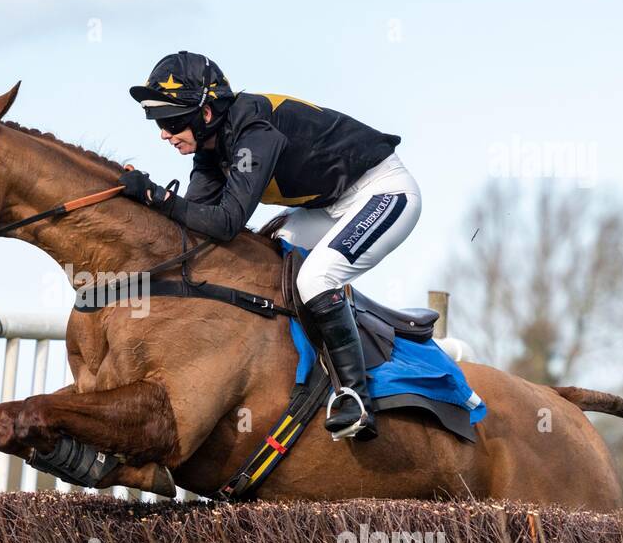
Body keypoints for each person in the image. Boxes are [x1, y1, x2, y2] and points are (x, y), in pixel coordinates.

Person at [121, 50, 422, 441]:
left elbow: (227, 223)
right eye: (157, 122)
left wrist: (157, 197)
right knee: (268, 249)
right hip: (331, 207)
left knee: (315, 278)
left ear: (206, 114)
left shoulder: (254, 132)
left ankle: (354, 396)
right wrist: (141, 201)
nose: (163, 133)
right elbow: (195, 225)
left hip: (384, 192)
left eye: (170, 121)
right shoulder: (213, 149)